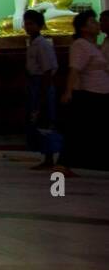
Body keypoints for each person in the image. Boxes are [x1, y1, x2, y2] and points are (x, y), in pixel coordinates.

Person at [62, 10, 108, 174]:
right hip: (90, 92)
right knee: (79, 129)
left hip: (100, 92)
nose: (97, 24)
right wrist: (68, 91)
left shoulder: (94, 46)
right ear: (83, 28)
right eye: (93, 22)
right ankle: (63, 163)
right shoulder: (80, 45)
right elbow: (74, 69)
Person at [24, 9, 63, 171]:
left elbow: (47, 71)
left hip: (42, 84)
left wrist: (43, 92)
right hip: (35, 83)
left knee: (45, 119)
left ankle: (50, 157)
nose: (27, 27)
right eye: (26, 24)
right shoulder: (32, 43)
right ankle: (46, 155)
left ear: (40, 26)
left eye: (31, 24)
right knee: (37, 120)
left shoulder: (42, 44)